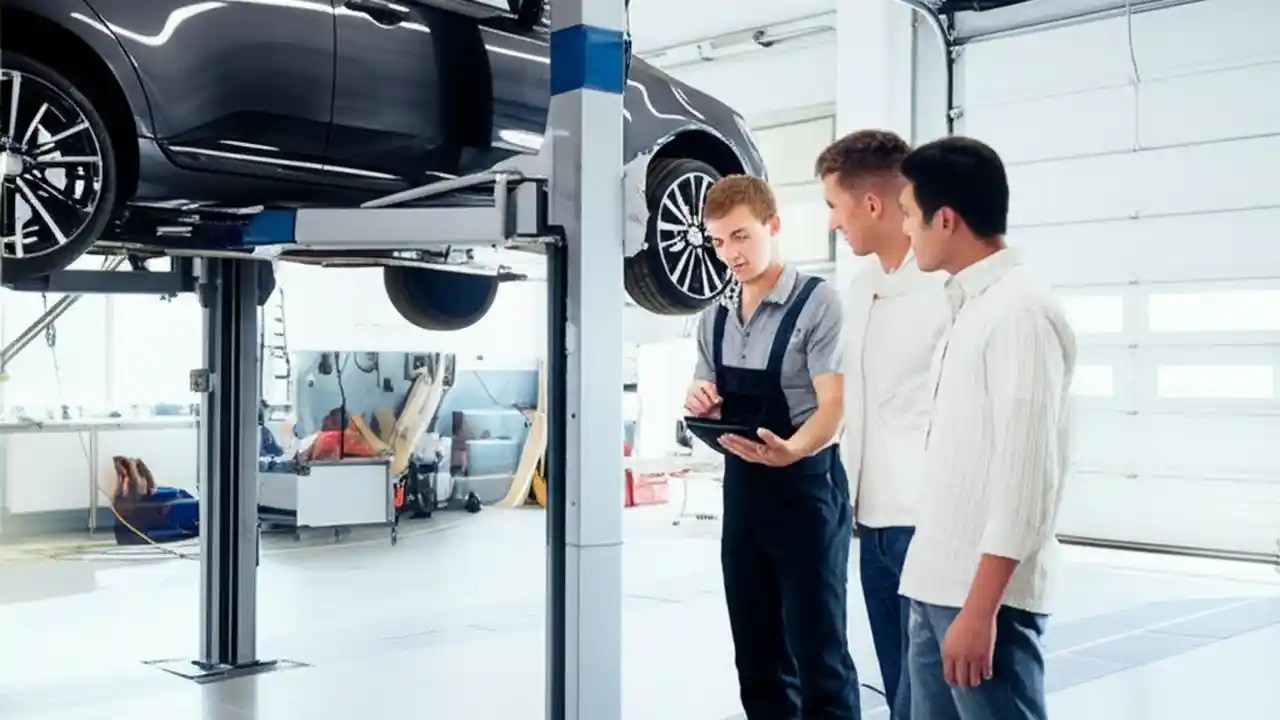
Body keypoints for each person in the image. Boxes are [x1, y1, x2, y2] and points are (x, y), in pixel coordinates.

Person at [894, 136, 1076, 720]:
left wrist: (980, 611)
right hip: (935, 581)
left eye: (908, 215)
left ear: (945, 219)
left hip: (984, 602)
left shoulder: (1019, 312)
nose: (905, 231)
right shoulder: (969, 307)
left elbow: (1026, 480)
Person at [683, 174, 860, 719]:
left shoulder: (817, 304)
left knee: (818, 655)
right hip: (745, 496)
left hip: (807, 491)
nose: (729, 254)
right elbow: (709, 400)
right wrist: (700, 401)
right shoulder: (712, 318)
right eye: (716, 242)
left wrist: (793, 450)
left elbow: (833, 406)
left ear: (773, 226)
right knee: (756, 657)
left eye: (740, 236)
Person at [814, 129, 951, 719]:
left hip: (928, 522)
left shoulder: (948, 289)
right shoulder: (863, 286)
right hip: (870, 523)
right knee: (899, 685)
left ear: (871, 205)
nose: (832, 224)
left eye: (833, 207)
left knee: (934, 697)